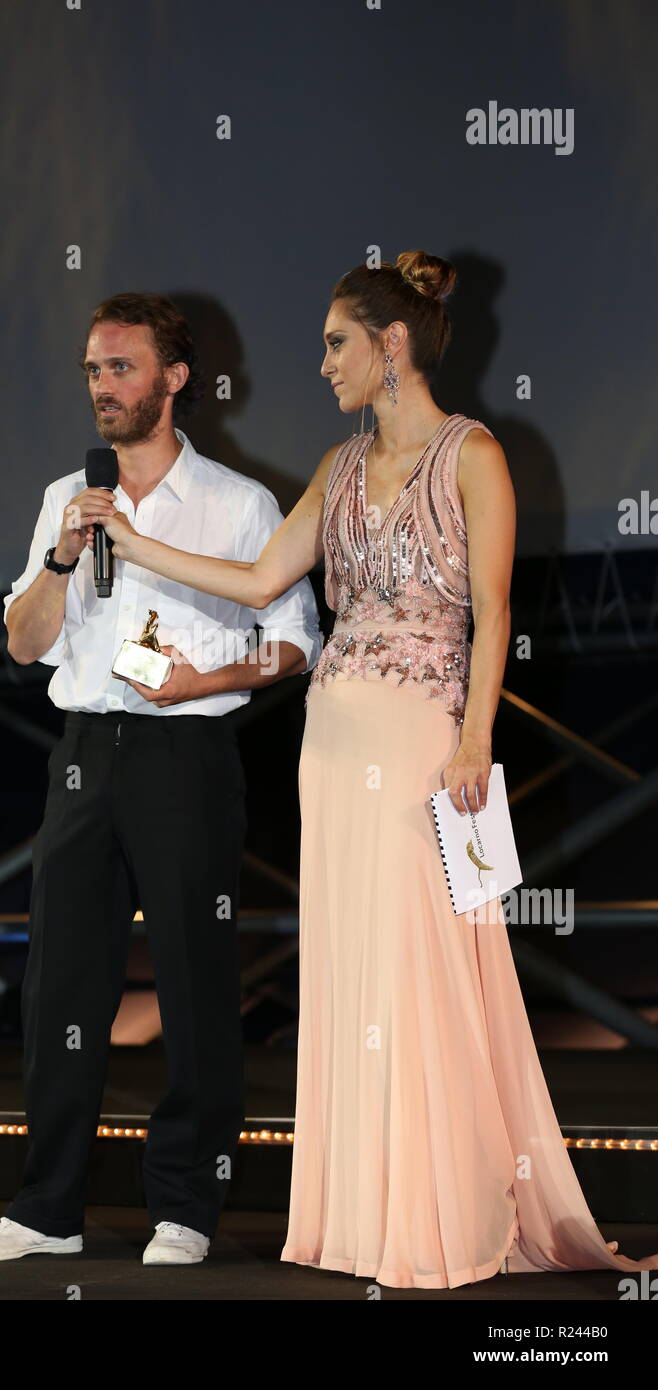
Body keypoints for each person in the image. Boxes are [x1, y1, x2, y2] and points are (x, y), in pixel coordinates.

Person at [90, 253, 658, 1288]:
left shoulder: (473, 454)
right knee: (352, 972)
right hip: (330, 741)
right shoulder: (339, 466)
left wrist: (475, 740)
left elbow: (491, 614)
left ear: (390, 345)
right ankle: (359, 1217)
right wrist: (132, 546)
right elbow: (265, 575)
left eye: (336, 343)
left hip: (416, 745)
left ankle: (436, 1217)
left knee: (420, 971)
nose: (321, 364)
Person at [0, 292, 322, 1267]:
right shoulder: (63, 500)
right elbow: (25, 645)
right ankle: (47, 1206)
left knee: (196, 981)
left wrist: (208, 677)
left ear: (173, 378)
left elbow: (294, 643)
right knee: (60, 985)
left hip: (186, 757)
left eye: (119, 367)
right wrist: (61, 554)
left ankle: (186, 1206)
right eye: (89, 369)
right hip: (83, 751)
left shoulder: (238, 504)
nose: (101, 387)